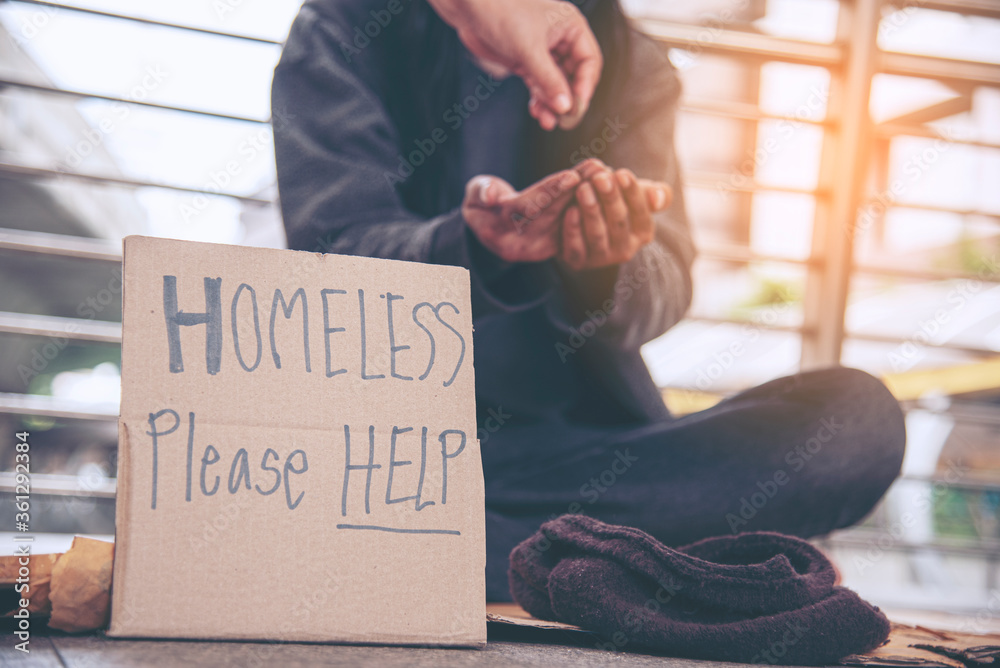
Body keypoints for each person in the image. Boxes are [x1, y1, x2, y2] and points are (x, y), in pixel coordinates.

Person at [272, 0, 906, 601]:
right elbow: (336, 266)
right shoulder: (344, 29)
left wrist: (606, 266)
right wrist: (479, 248)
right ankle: (629, 558)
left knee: (858, 424)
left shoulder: (630, 61)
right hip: (396, 448)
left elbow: (667, 284)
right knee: (315, 486)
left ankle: (472, 553)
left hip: (587, 461)